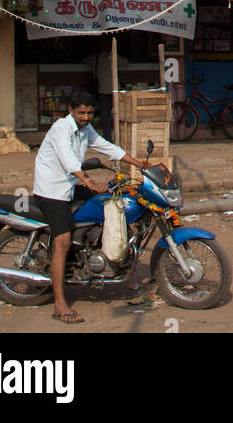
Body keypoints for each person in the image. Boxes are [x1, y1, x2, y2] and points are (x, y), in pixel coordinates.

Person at [33, 89, 143, 324]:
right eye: (81, 113)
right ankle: (59, 305)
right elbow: (68, 160)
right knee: (62, 240)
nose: (85, 117)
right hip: (51, 191)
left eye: (90, 113)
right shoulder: (61, 128)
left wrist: (139, 164)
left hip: (69, 186)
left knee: (109, 201)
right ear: (71, 111)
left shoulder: (85, 129)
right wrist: (89, 182)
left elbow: (106, 146)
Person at [92, 45, 114, 140]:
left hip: (103, 90)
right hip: (114, 91)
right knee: (115, 115)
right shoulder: (113, 57)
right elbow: (126, 62)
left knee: (105, 116)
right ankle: (114, 137)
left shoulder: (95, 58)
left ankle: (107, 137)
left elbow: (83, 60)